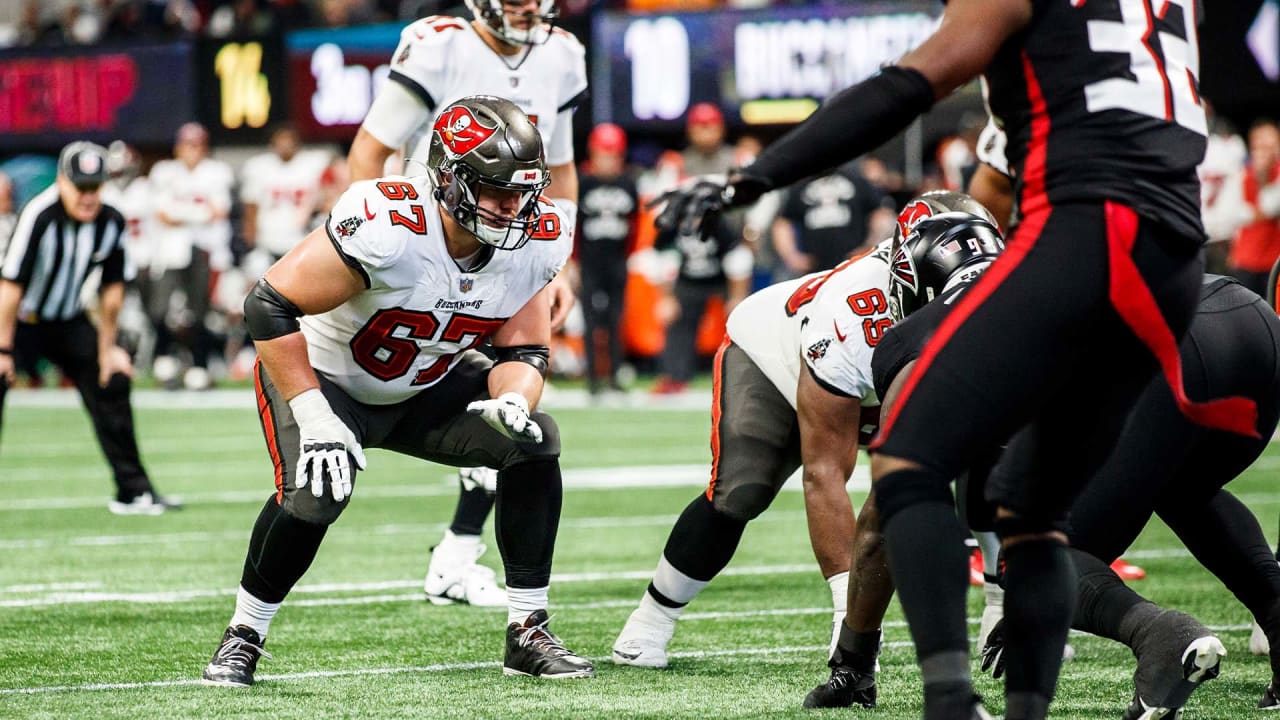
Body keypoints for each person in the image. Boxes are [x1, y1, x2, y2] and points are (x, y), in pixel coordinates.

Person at [654, 2, 1259, 717]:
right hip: (1177, 263)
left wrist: (748, 179)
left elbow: (907, 85)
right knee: (1032, 512)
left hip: (1091, 236)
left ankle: (948, 699)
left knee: (908, 462)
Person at [200, 96, 592, 687]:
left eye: (523, 192)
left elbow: (524, 350)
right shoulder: (391, 226)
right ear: (449, 180)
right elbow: (269, 304)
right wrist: (314, 415)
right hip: (327, 378)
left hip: (422, 384)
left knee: (534, 442)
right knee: (315, 495)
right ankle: (243, 635)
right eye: (495, 191)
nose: (513, 207)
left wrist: (515, 398)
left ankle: (527, 630)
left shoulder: (535, 239)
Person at [612, 190, 1000, 670]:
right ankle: (652, 619)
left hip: (886, 377)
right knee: (742, 489)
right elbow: (824, 474)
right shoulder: (854, 315)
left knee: (989, 452)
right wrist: (849, 617)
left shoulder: (1003, 291)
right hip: (779, 356)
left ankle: (1001, 605)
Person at [347, 0, 587, 606]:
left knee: (512, 401)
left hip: (510, 247)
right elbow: (369, 152)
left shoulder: (562, 53)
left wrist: (556, 265)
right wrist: (368, 247)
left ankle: (456, 553)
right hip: (433, 243)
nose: (530, 8)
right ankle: (454, 555)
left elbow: (560, 171)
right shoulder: (441, 44)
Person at [0, 142, 177, 515]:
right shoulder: (40, 215)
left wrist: (107, 349)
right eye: (80, 187)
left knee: (111, 379)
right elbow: (11, 286)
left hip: (66, 318)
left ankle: (133, 491)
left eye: (95, 187)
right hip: (16, 319)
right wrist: (3, 351)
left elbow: (112, 289)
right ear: (62, 182)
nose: (88, 196)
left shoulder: (111, 219)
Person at [148, 122, 235, 391]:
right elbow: (162, 214)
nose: (192, 151)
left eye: (197, 145)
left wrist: (181, 213)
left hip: (206, 251)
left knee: (200, 312)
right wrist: (197, 213)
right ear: (178, 147)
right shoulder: (164, 172)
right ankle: (165, 361)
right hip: (170, 251)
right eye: (187, 144)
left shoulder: (217, 172)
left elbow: (218, 212)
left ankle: (199, 366)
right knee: (162, 309)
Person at [577, 123, 637, 395]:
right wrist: (572, 264)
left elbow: (635, 225)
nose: (608, 160)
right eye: (604, 154)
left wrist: (629, 256)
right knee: (590, 321)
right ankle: (593, 379)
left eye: (613, 155)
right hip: (589, 262)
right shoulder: (583, 182)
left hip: (616, 261)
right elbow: (572, 227)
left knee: (616, 319)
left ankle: (614, 375)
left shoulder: (628, 182)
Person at [770, 160, 888, 280]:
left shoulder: (856, 180)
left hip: (853, 266)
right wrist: (791, 256)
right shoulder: (801, 186)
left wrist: (870, 246)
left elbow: (880, 215)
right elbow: (782, 223)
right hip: (814, 270)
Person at [240, 124, 330, 264]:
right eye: (280, 141)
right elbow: (251, 204)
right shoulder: (259, 166)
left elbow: (332, 187)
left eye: (289, 140)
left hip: (302, 237)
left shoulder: (315, 163)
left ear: (298, 143)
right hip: (268, 238)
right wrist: (251, 234)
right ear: (272, 144)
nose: (285, 145)